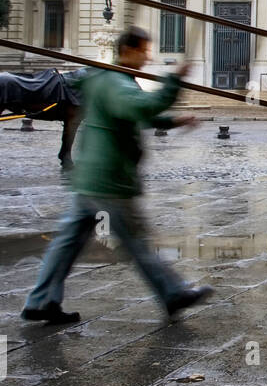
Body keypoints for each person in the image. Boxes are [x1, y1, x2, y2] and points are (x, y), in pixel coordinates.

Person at [22, 26, 212, 324]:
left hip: (91, 175)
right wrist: (174, 80)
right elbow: (140, 105)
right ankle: (173, 292)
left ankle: (42, 300)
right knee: (135, 240)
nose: (147, 58)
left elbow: (130, 114)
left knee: (68, 242)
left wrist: (173, 121)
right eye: (144, 51)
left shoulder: (105, 78)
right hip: (109, 178)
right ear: (127, 50)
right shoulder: (114, 81)